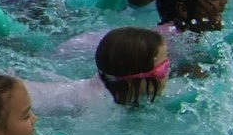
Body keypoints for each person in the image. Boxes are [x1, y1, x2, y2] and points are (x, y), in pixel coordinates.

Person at [26, 27, 171, 114]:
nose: (168, 72)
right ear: (135, 76)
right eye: (163, 68)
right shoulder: (98, 108)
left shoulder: (113, 86)